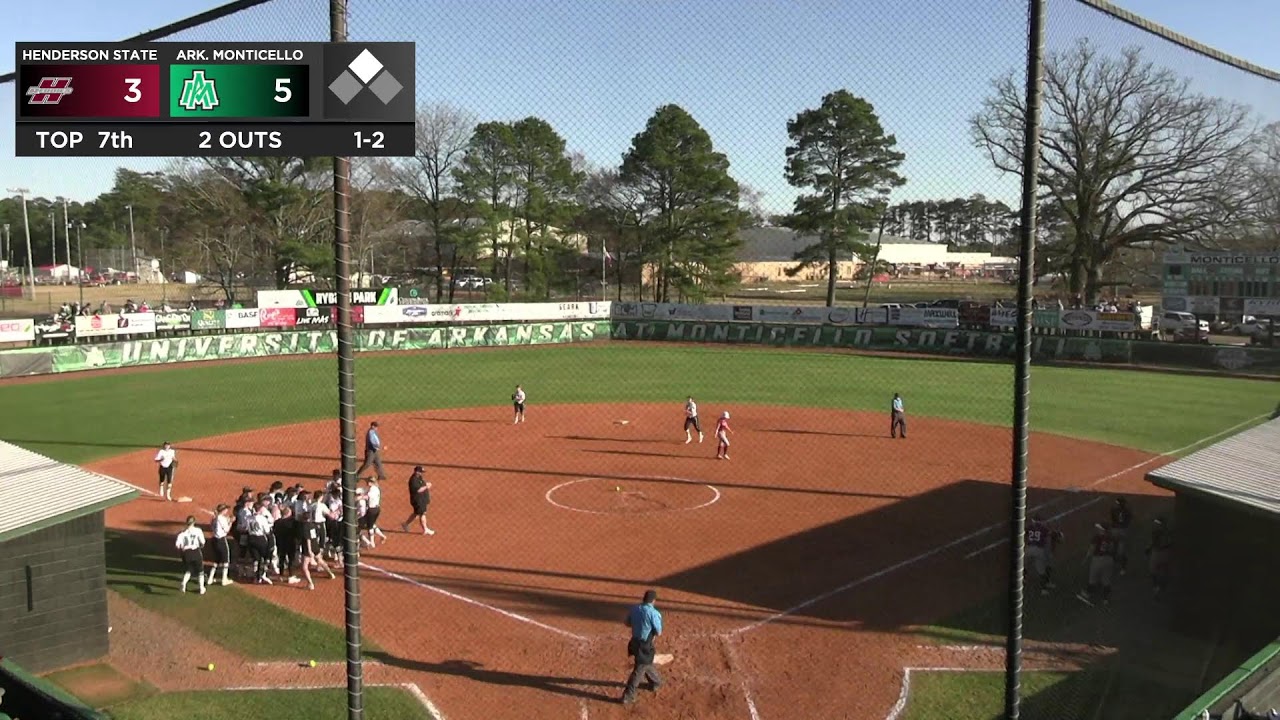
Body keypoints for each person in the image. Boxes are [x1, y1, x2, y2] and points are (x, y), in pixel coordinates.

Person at [621, 589, 663, 705]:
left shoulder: (635, 609)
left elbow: (627, 623)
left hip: (634, 643)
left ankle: (656, 682)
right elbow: (658, 632)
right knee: (639, 670)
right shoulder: (654, 613)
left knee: (644, 663)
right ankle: (628, 696)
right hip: (645, 646)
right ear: (653, 601)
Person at [1078, 522, 1118, 607]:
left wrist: (1086, 559)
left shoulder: (1096, 537)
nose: (1098, 529)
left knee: (1092, 579)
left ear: (1103, 530)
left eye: (1100, 528)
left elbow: (1091, 549)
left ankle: (1087, 594)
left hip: (1097, 560)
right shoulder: (1111, 538)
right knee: (1106, 581)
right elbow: (1112, 549)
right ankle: (1105, 599)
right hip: (1109, 560)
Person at [1025, 513, 1062, 595]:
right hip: (1039, 550)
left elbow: (1025, 532)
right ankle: (1044, 589)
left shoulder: (1030, 527)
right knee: (1042, 572)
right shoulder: (1043, 529)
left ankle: (1023, 580)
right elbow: (1052, 534)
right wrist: (1059, 534)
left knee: (1024, 565)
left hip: (1028, 549)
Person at [174, 516, 207, 595]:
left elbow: (177, 545)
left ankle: (183, 583)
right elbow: (203, 542)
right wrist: (200, 546)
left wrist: (182, 548)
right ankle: (201, 588)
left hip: (186, 553)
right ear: (194, 522)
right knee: (200, 571)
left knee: (189, 570)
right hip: (195, 551)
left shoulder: (182, 533)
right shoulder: (198, 530)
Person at [205, 504, 234, 587]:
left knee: (216, 560)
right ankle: (224, 579)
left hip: (214, 539)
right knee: (226, 560)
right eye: (226, 510)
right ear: (223, 510)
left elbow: (212, 526)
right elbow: (226, 530)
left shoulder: (214, 518)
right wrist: (230, 522)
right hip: (221, 540)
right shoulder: (222, 518)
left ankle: (210, 578)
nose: (227, 511)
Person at [401, 465, 435, 535]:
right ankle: (425, 529)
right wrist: (427, 486)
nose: (421, 473)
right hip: (418, 500)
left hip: (421, 499)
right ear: (416, 472)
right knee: (422, 514)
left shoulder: (419, 477)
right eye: (420, 472)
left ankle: (405, 524)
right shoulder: (413, 480)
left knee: (416, 513)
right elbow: (418, 490)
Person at [1146, 516, 1174, 597]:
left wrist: (1148, 548)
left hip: (1159, 552)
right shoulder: (1168, 532)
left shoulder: (1158, 532)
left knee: (1154, 571)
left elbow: (1153, 542)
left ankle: (1157, 587)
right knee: (1162, 571)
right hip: (1165, 552)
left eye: (1157, 523)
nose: (1155, 524)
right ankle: (1159, 587)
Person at [1109, 497, 1134, 575]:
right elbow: (1113, 520)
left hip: (1122, 531)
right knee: (1113, 549)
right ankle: (1114, 563)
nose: (1118, 505)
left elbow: (1128, 521)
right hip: (1116, 530)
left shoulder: (1126, 511)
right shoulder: (1115, 510)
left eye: (1119, 503)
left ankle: (1123, 567)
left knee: (1121, 552)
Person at [364, 477, 387, 547]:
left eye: (368, 481)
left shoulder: (372, 489)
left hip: (372, 510)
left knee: (370, 526)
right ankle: (383, 536)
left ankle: (372, 542)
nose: (367, 482)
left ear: (371, 482)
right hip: (377, 509)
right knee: (372, 524)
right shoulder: (376, 488)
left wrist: (359, 497)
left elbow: (367, 497)